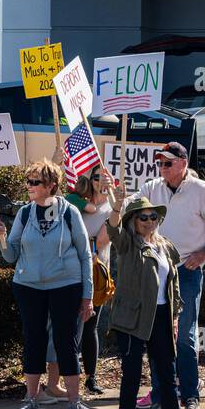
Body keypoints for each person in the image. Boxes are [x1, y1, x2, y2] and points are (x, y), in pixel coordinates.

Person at [132, 142, 205, 409]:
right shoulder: (152, 187)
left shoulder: (200, 190)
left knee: (186, 336)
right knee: (157, 336)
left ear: (183, 163)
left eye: (168, 163)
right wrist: (116, 197)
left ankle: (190, 398)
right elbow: (129, 211)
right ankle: (161, 398)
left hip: (186, 272)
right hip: (156, 272)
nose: (162, 168)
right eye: (160, 163)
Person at [0, 158, 97, 409]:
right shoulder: (25, 213)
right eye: (28, 181)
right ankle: (31, 401)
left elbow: (85, 255)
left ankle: (74, 403)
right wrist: (1, 237)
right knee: (33, 340)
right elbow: (10, 256)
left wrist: (88, 296)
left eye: (35, 182)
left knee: (66, 340)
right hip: (28, 286)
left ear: (51, 185)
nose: (29, 186)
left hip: (66, 284)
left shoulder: (69, 212)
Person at [102, 186, 199, 409]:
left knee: (167, 373)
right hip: (132, 317)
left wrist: (175, 316)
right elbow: (112, 230)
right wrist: (116, 206)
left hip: (161, 316)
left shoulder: (165, 246)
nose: (149, 222)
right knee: (132, 373)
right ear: (133, 220)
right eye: (143, 217)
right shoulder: (128, 243)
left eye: (153, 217)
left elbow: (173, 285)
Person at [64, 168, 113, 395]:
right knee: (72, 326)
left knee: (91, 325)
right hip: (71, 272)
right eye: (96, 177)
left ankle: (91, 378)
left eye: (104, 178)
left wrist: (84, 243)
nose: (100, 181)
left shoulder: (112, 209)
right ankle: (69, 377)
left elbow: (102, 241)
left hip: (97, 274)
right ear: (90, 181)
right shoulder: (77, 203)